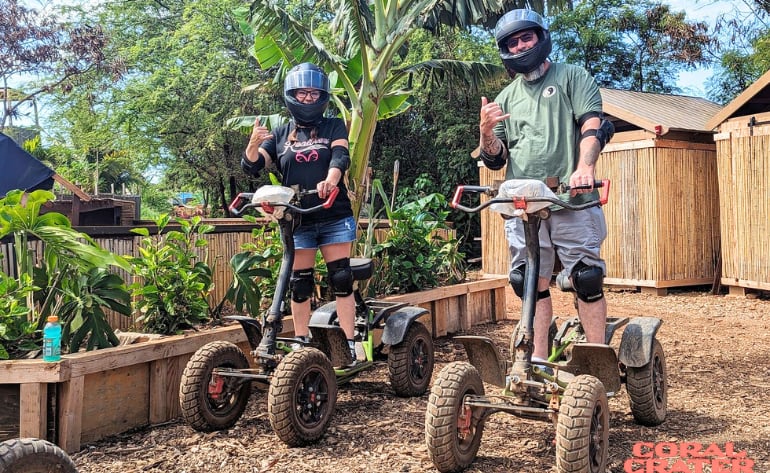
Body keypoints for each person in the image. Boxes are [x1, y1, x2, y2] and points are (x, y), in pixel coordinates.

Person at [477, 9, 615, 367]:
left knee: (586, 277)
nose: (520, 45)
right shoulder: (505, 98)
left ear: (541, 37)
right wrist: (486, 134)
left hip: (572, 200)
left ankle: (595, 359)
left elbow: (592, 126)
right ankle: (536, 359)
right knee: (526, 280)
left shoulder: (572, 77)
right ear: (505, 51)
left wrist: (585, 167)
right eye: (512, 42)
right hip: (525, 206)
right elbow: (495, 158)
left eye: (526, 37)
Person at [241, 62, 358, 365]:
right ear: (291, 95)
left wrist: (332, 179)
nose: (307, 98)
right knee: (300, 283)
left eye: (313, 92)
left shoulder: (333, 125)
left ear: (322, 95)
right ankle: (301, 343)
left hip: (333, 212)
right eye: (301, 93)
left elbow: (340, 154)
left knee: (341, 278)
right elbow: (254, 166)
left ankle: (349, 344)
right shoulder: (280, 134)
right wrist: (252, 146)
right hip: (298, 218)